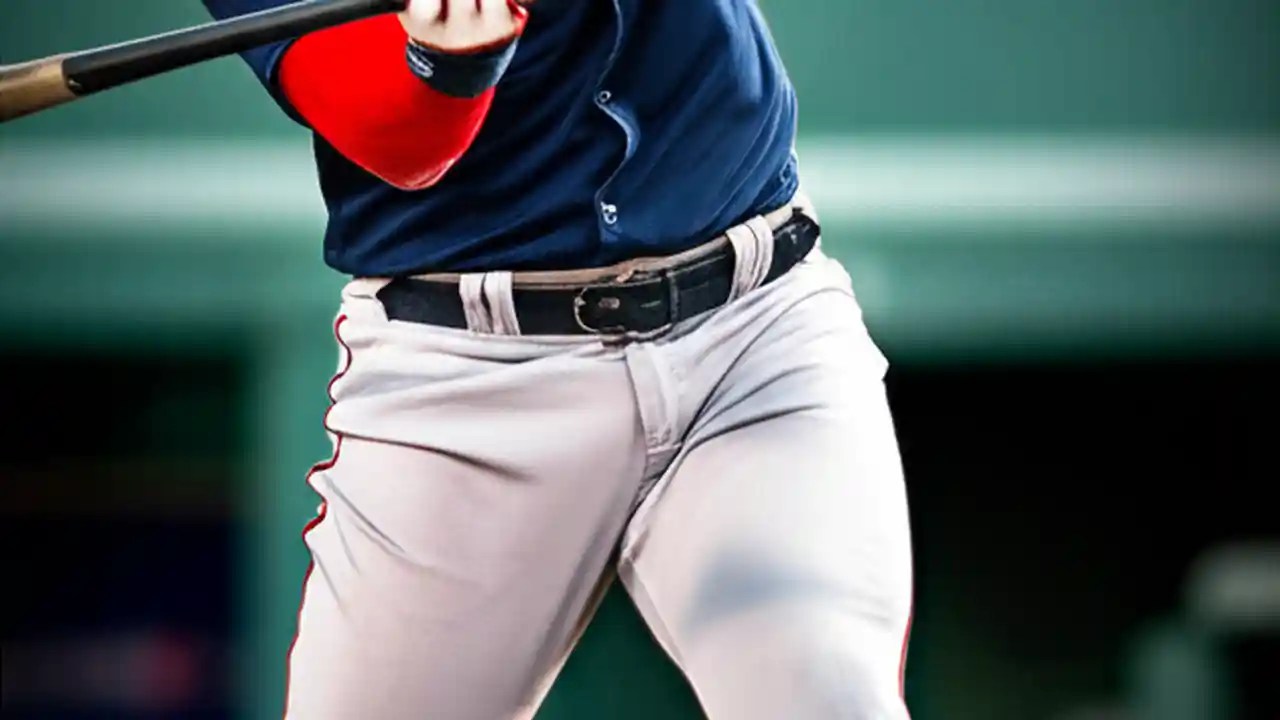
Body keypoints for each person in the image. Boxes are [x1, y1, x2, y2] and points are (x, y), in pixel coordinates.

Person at [201, 0, 915, 717]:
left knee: (829, 697)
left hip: (750, 331)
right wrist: (450, 64)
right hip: (466, 385)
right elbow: (399, 141)